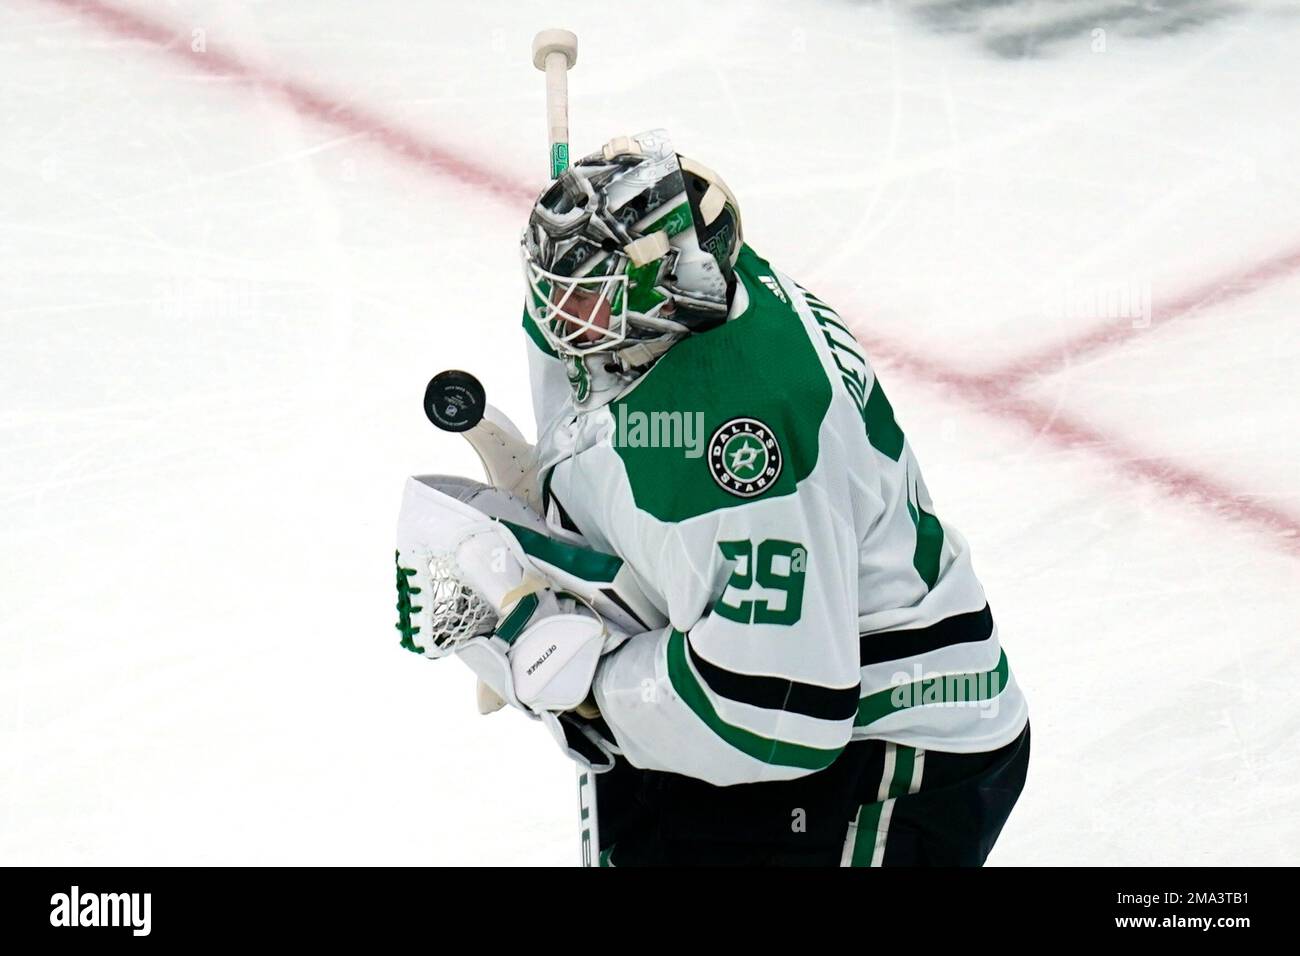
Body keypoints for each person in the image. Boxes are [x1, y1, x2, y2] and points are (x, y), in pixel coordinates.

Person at [400, 128, 1029, 866]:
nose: (565, 325)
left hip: (892, 754)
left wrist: (584, 687)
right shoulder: (692, 294)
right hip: (776, 691)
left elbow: (779, 714)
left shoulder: (733, 446)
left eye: (587, 305)